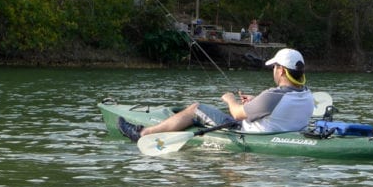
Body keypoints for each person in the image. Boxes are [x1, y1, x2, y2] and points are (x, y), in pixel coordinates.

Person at [117, 48, 314, 141]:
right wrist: (255, 101)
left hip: (246, 132)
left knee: (196, 109)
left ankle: (142, 133)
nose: (273, 70)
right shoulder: (306, 94)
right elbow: (278, 108)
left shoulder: (273, 96)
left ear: (281, 71)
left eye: (275, 67)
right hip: (281, 131)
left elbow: (237, 114)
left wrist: (230, 99)